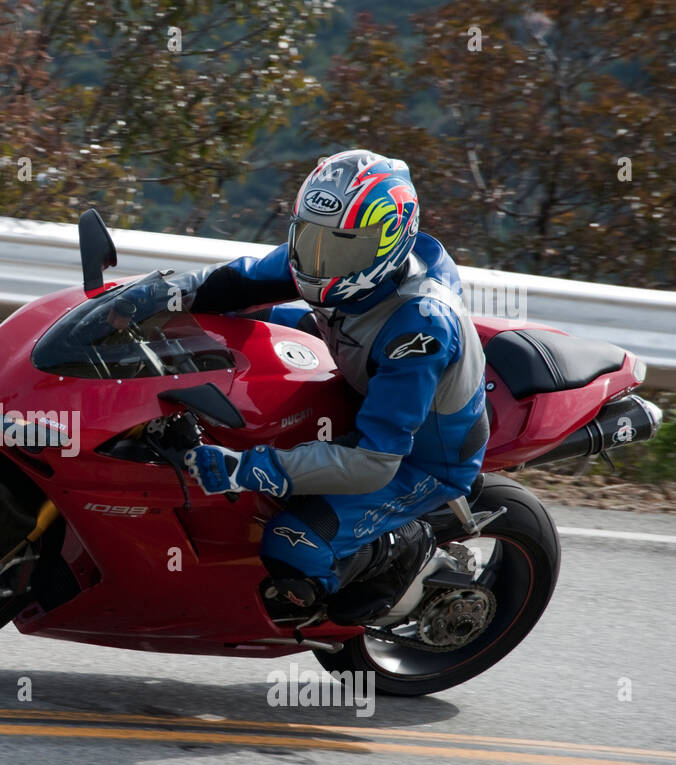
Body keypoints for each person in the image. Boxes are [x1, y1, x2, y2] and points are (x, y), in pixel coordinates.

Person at [167, 149, 489, 622]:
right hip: (356, 373)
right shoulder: (323, 255)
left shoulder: (419, 329)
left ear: (390, 246)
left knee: (293, 547)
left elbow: (375, 462)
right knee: (223, 332)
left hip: (419, 457)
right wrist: (154, 295)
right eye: (309, 239)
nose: (319, 262)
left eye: (341, 247)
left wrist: (250, 469)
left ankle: (404, 545)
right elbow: (232, 282)